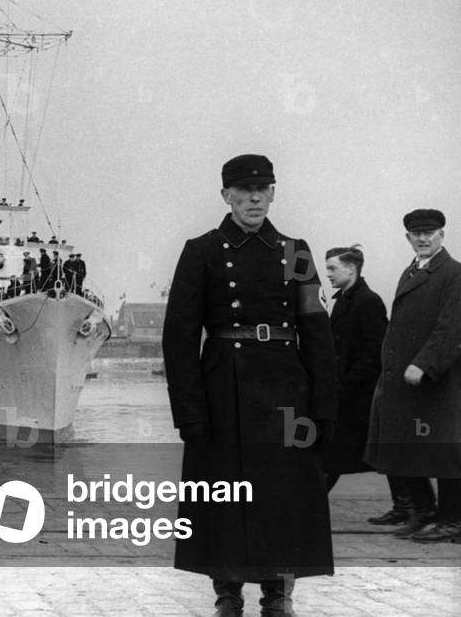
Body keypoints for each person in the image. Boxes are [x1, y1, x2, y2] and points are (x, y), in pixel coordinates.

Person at [162, 154, 336, 617]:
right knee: (226, 494)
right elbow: (178, 338)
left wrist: (325, 408)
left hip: (286, 393)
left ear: (274, 193)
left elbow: (317, 333)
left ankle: (279, 595)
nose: (254, 198)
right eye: (243, 191)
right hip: (224, 393)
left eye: (263, 189)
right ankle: (228, 594)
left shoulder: (296, 252)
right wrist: (191, 413)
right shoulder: (201, 250)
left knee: (284, 494)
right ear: (226, 196)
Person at [365, 209, 461, 542]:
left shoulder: (453, 273)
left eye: (430, 233)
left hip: (438, 380)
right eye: (416, 234)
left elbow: (451, 328)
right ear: (408, 238)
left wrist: (425, 363)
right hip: (405, 379)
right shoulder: (411, 272)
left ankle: (452, 521)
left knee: (446, 450)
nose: (423, 238)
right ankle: (425, 513)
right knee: (406, 445)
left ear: (442, 235)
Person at [322, 246, 387, 492]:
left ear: (351, 269)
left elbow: (377, 349)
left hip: (358, 394)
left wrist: (348, 382)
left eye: (332, 268)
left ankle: (409, 507)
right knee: (347, 452)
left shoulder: (367, 301)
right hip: (347, 391)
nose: (328, 274)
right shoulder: (346, 300)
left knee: (344, 452)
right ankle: (405, 506)